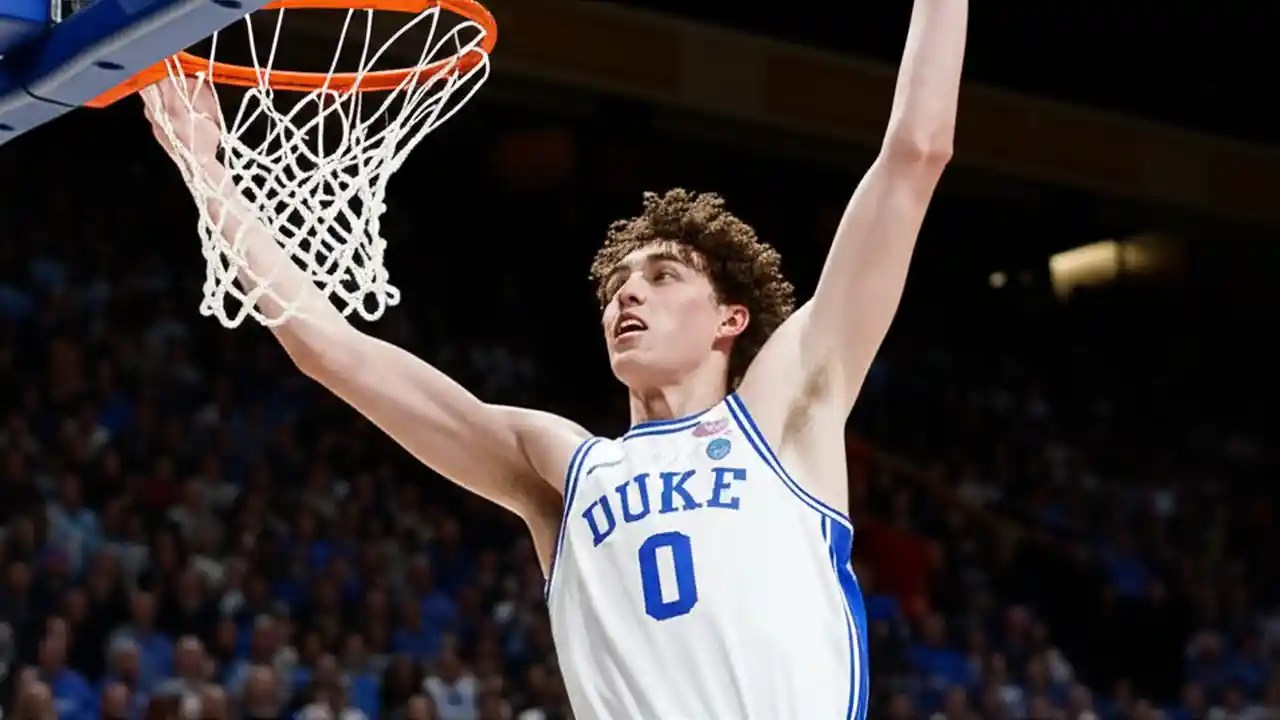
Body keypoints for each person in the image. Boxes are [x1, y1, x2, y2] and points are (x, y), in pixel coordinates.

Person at [141, 0, 966, 716]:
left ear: (730, 319)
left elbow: (916, 154)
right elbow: (331, 351)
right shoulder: (564, 467)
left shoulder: (784, 411)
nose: (628, 296)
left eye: (662, 277)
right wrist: (205, 170)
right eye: (617, 287)